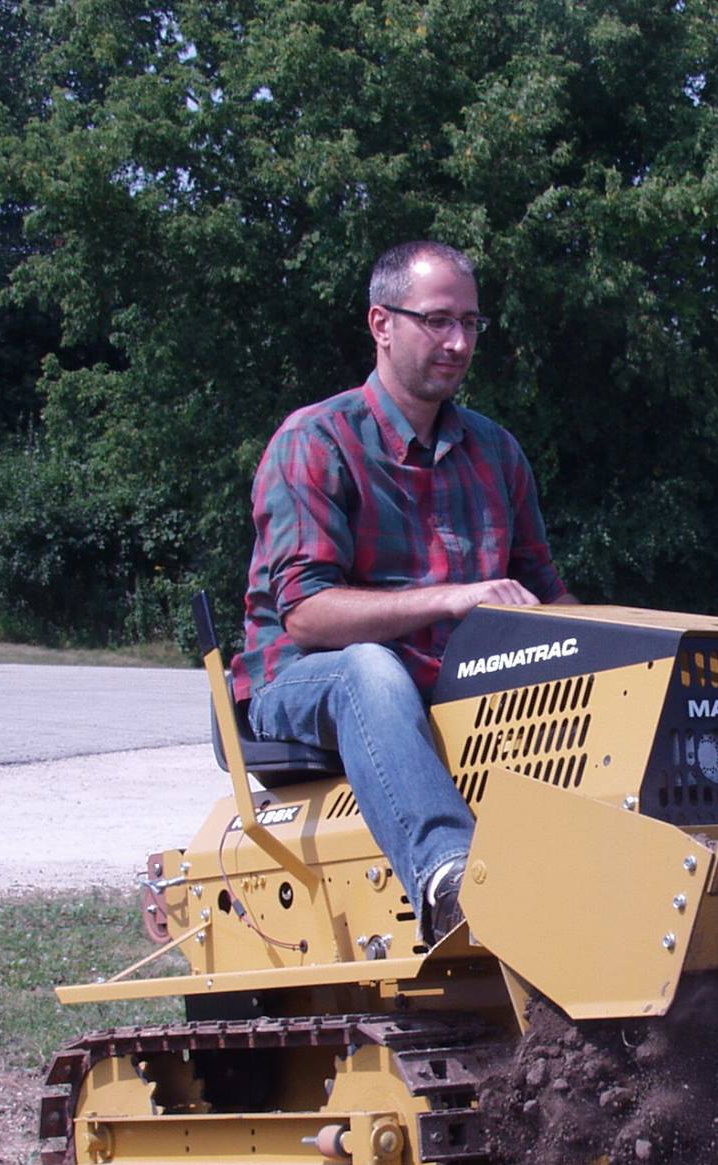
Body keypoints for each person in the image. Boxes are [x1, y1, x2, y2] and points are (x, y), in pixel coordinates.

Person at [231, 241, 574, 945]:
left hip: (451, 685)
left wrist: (631, 646)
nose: (458, 343)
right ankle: (452, 880)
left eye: (472, 324)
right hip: (307, 682)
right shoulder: (315, 440)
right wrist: (451, 598)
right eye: (438, 321)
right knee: (369, 668)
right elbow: (308, 614)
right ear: (381, 324)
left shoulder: (497, 452)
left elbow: (547, 594)